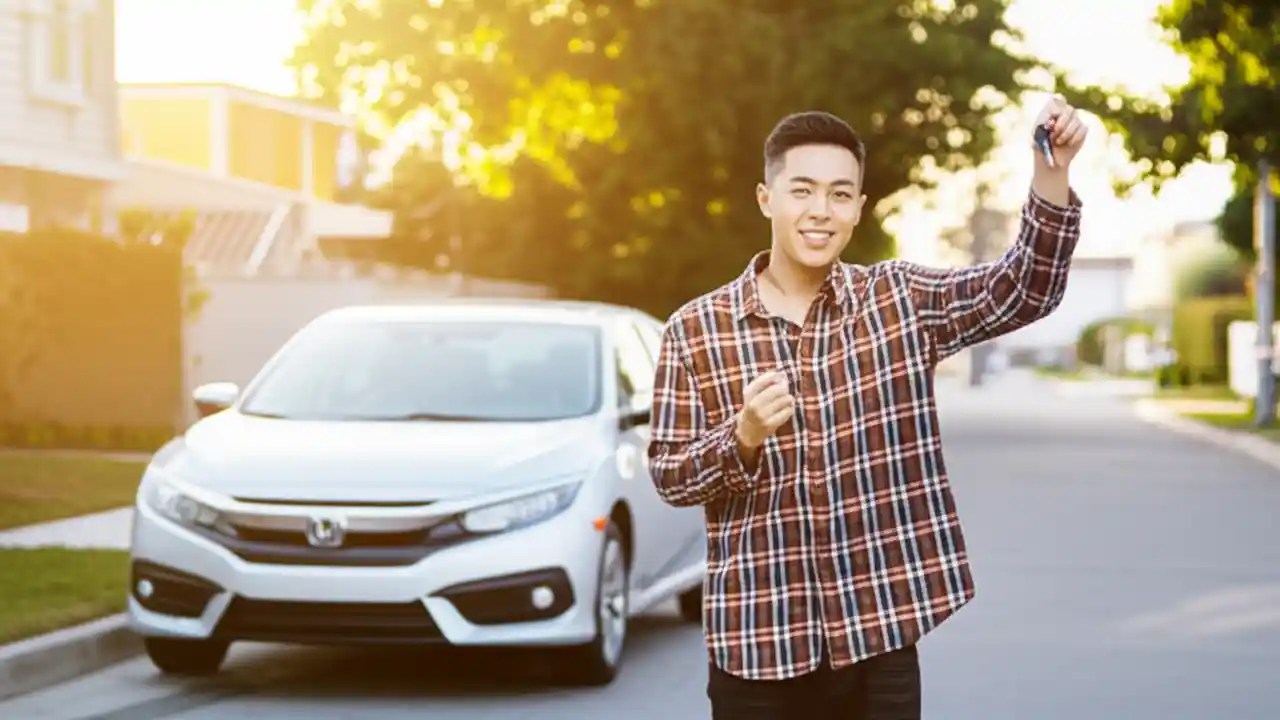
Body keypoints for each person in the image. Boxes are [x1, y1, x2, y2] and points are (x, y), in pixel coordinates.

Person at [646, 95, 1087, 719]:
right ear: (766, 198)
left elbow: (1023, 290)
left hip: (878, 638)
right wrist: (741, 435)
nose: (819, 211)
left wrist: (1052, 173)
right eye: (802, 191)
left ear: (857, 208)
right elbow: (668, 474)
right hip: (757, 647)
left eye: (839, 194)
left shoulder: (899, 301)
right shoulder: (696, 329)